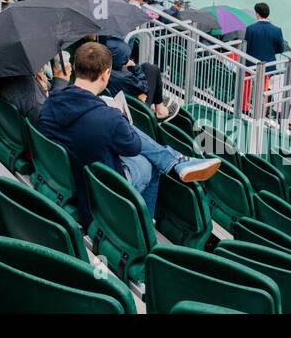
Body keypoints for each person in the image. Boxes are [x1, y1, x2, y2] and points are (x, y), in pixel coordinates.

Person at [37, 42, 220, 223]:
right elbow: (133, 147)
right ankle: (145, 223)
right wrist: (122, 120)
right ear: (106, 74)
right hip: (99, 194)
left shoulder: (50, 102)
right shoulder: (109, 118)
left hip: (67, 178)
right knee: (150, 164)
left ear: (75, 68)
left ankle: (176, 161)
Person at [100, 33, 172, 118]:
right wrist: (134, 67)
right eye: (125, 58)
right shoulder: (124, 77)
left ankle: (157, 105)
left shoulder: (103, 69)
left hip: (128, 98)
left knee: (146, 66)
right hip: (137, 108)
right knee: (154, 69)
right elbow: (144, 86)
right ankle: (159, 109)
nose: (127, 59)